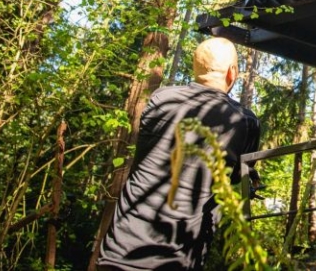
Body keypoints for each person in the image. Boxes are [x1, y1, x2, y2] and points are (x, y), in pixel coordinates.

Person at [98, 37, 261, 270]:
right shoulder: (245, 122)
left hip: (119, 251)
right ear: (232, 72)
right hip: (178, 259)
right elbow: (237, 177)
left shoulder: (160, 99)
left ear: (196, 68)